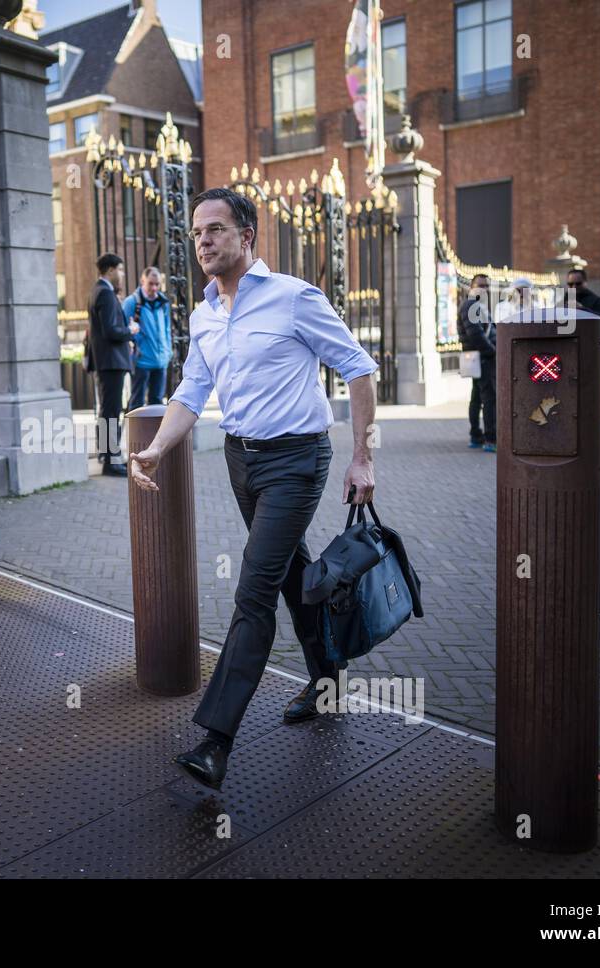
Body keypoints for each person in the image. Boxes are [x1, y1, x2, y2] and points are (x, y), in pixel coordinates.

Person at [128, 187, 379, 791]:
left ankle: (216, 741)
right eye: (196, 233)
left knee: (253, 590)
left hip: (298, 460)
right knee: (292, 576)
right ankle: (328, 682)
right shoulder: (205, 313)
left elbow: (359, 368)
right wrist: (158, 450)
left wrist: (363, 458)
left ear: (247, 236)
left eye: (215, 229)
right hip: (243, 462)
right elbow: (190, 393)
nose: (204, 242)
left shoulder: (295, 298)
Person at [87, 253, 139, 476]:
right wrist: (131, 331)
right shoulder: (106, 294)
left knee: (107, 411)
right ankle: (111, 461)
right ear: (109, 270)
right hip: (111, 363)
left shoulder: (97, 291)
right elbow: (111, 331)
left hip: (107, 363)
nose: (122, 274)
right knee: (111, 413)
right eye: (120, 269)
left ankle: (107, 455)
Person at [456, 273, 496, 452]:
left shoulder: (478, 305)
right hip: (482, 357)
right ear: (471, 287)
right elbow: (475, 333)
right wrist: (492, 351)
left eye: (487, 286)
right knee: (488, 398)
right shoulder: (471, 305)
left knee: (478, 397)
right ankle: (490, 438)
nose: (484, 289)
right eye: (480, 285)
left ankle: (476, 435)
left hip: (479, 357)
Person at [122, 267, 172, 410]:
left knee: (156, 403)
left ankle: (154, 433)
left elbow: (168, 329)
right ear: (142, 281)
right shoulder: (131, 302)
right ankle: (135, 433)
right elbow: (123, 330)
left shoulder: (163, 303)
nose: (154, 288)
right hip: (141, 362)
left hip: (161, 361)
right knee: (137, 403)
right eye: (151, 283)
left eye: (157, 284)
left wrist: (168, 352)